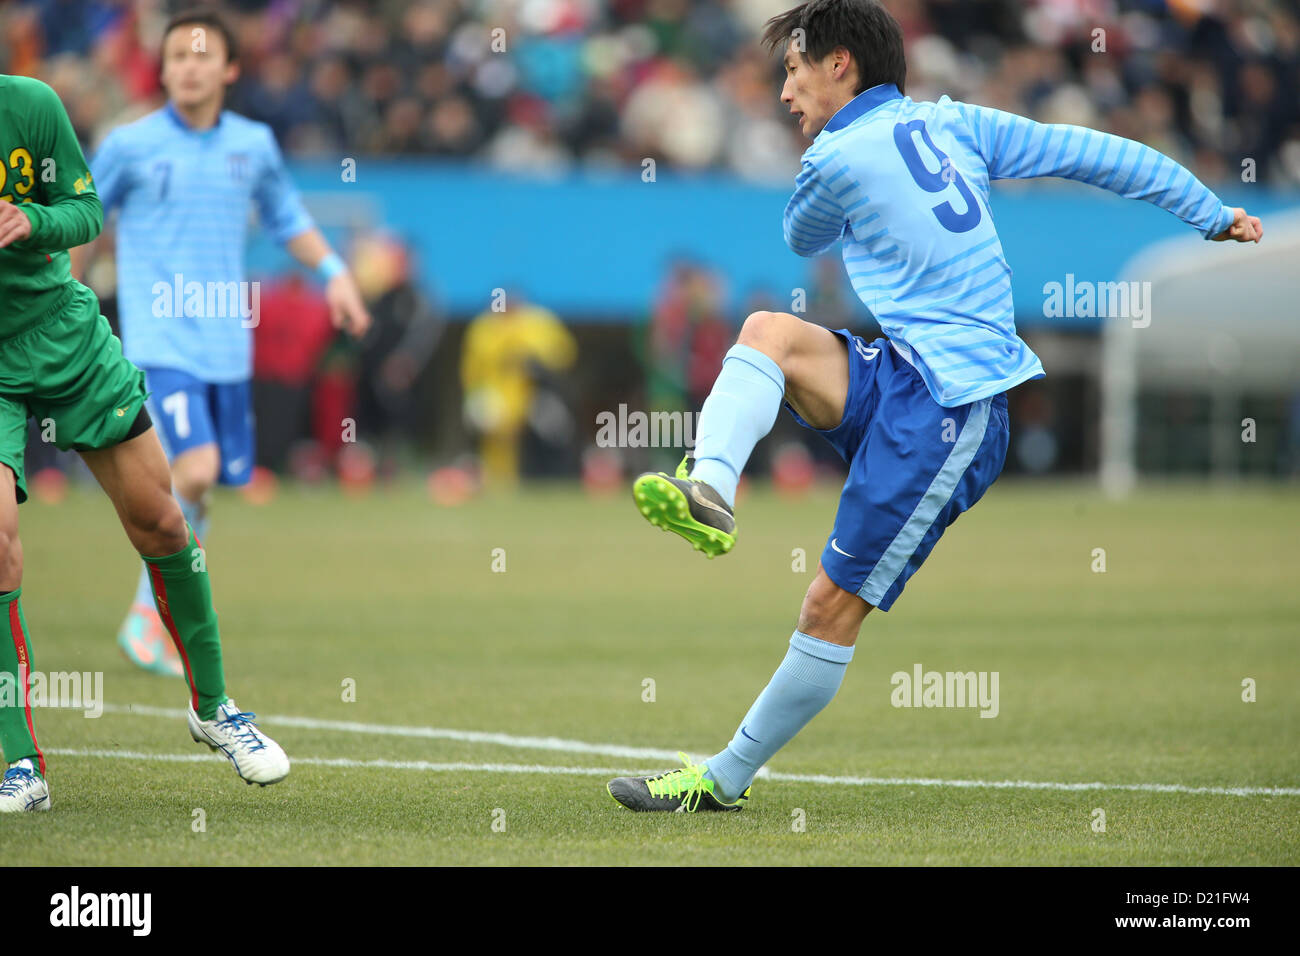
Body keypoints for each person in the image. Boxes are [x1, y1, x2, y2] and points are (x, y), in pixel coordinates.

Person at [609, 0, 1263, 813]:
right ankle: (710, 487)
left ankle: (722, 779)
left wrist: (826, 176)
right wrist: (1210, 213)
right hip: (901, 372)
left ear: (840, 64)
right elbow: (1098, 154)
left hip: (954, 407)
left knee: (829, 604)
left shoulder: (835, 154)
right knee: (769, 333)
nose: (784, 91)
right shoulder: (958, 123)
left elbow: (802, 238)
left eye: (794, 69)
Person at [0, 73, 291, 813]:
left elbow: (87, 210)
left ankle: (215, 708)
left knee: (162, 521)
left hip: (63, 334)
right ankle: (22, 765)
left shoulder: (30, 105)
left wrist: (33, 221)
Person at [75, 7, 370, 676]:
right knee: (197, 470)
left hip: (226, 349)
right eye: (177, 56)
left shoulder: (253, 145)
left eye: (202, 55)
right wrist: (66, 293)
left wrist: (334, 274)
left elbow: (287, 217)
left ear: (230, 69)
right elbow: (84, 217)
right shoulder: (129, 145)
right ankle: (147, 618)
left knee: (200, 492)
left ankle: (161, 621)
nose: (189, 67)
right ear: (163, 70)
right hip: (159, 342)